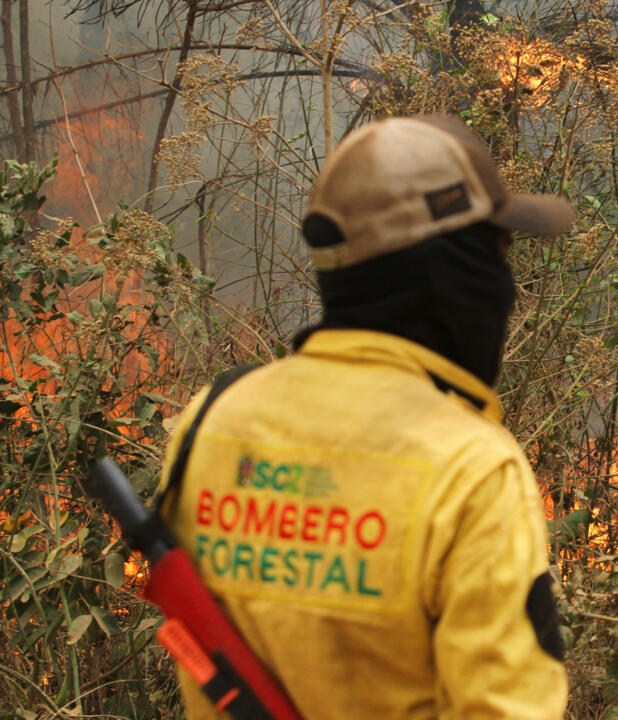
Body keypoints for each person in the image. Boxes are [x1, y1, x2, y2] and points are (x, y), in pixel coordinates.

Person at [157, 115, 573, 719]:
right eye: (498, 254)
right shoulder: (472, 470)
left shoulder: (212, 421)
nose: (505, 286)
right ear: (452, 271)